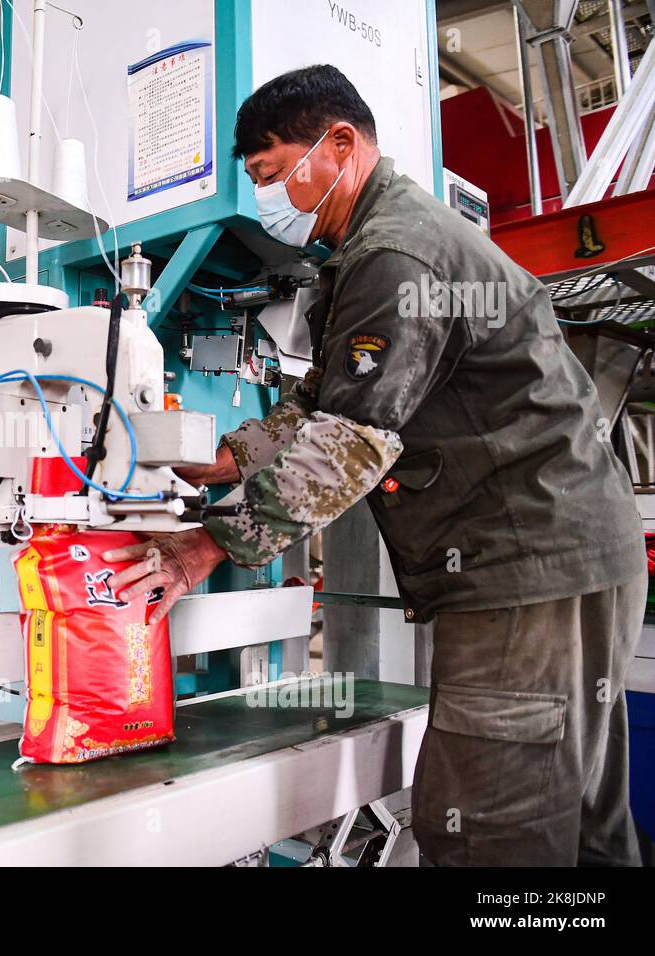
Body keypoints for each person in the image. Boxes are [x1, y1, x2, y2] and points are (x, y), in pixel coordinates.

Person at [104, 65, 646, 866]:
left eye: (271, 174)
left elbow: (351, 439)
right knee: (582, 822)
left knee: (487, 828)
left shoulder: (397, 253)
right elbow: (318, 404)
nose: (269, 198)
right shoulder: (376, 248)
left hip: (524, 572)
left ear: (340, 145)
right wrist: (220, 461)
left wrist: (205, 549)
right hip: (574, 558)